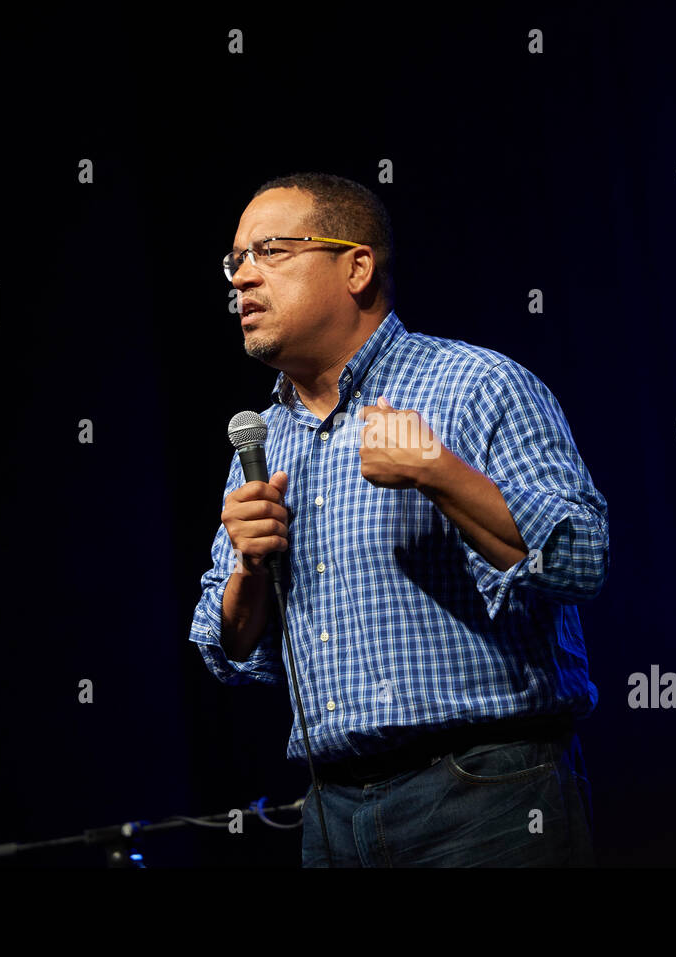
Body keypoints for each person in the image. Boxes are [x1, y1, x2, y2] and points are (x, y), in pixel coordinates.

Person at [189, 172, 609, 867]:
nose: (242, 278)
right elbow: (228, 646)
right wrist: (248, 564)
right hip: (331, 811)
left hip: (487, 793)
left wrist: (438, 473)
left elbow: (582, 559)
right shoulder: (260, 442)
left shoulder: (479, 386)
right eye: (236, 261)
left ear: (357, 266)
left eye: (270, 252)